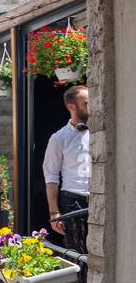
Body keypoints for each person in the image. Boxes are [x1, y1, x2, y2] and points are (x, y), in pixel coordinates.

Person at [43, 84, 90, 250]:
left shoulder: (100, 132)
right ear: (72, 107)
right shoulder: (59, 138)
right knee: (78, 251)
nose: (91, 106)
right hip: (73, 200)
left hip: (100, 199)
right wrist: (54, 212)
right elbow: (51, 177)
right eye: (86, 103)